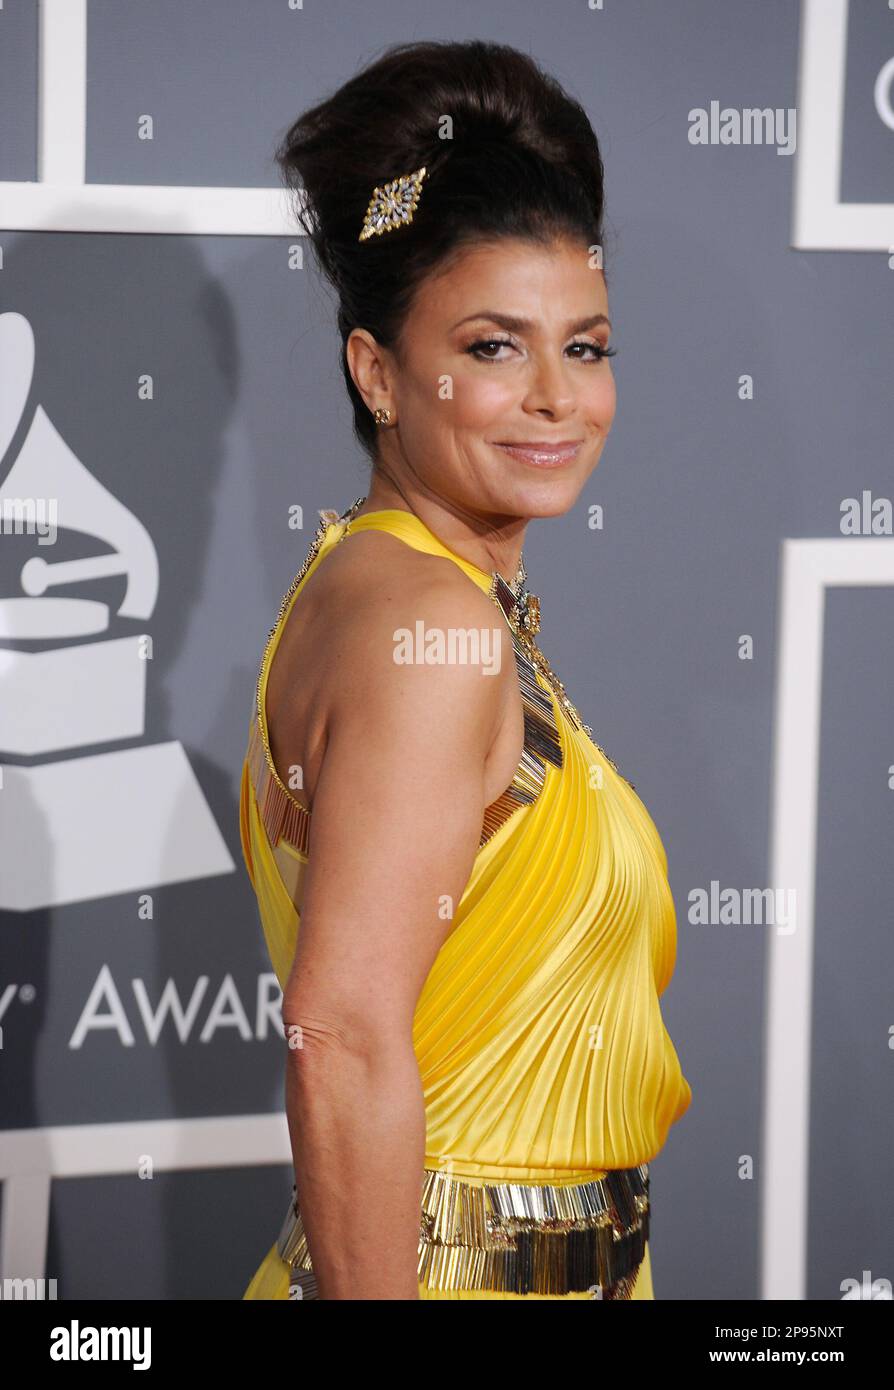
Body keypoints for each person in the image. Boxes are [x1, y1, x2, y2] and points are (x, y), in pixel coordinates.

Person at [240, 38, 691, 1301]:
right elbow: (342, 1038)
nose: (557, 398)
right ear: (378, 372)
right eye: (494, 347)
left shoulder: (383, 586)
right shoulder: (422, 629)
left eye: (586, 347)